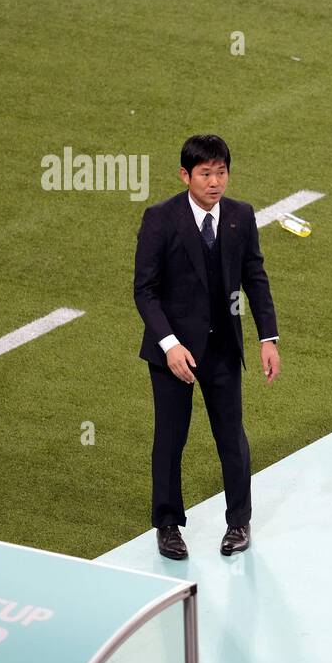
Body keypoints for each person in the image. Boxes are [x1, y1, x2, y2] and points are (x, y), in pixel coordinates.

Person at [133, 134, 281, 559]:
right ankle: (167, 524)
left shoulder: (240, 216)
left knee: (231, 436)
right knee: (170, 439)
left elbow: (255, 277)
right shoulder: (160, 219)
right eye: (205, 173)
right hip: (172, 354)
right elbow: (145, 290)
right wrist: (169, 344)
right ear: (185, 175)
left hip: (221, 350)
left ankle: (239, 522)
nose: (215, 182)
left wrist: (267, 338)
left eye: (221, 172)